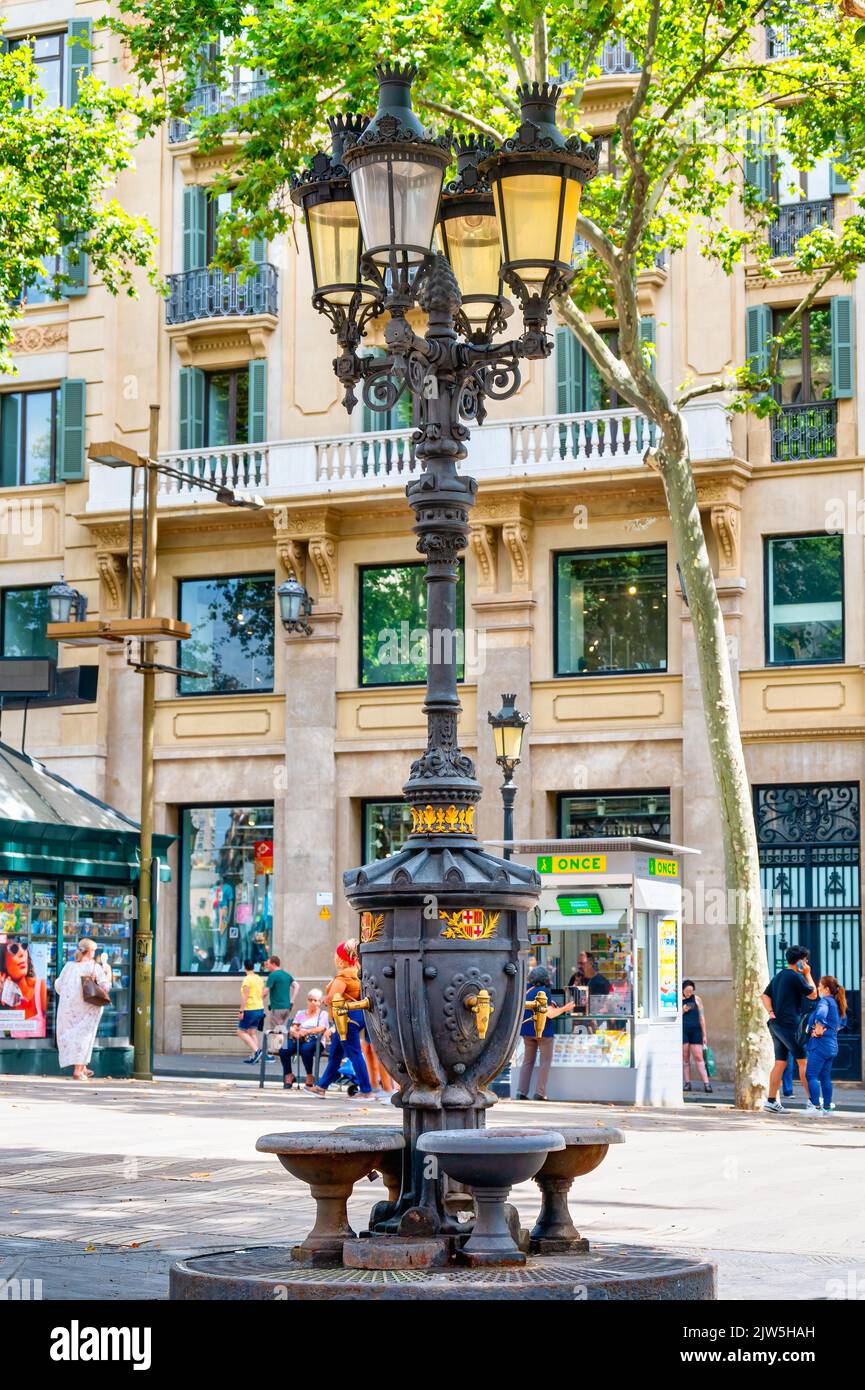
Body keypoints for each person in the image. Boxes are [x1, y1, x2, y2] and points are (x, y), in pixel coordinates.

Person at [311, 940, 372, 1099]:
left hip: (346, 1019)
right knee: (336, 1054)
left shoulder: (343, 977)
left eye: (336, 955)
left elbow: (333, 998)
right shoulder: (357, 972)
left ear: (341, 958)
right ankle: (321, 1087)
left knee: (354, 1053)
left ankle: (366, 1090)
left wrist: (324, 999)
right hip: (355, 1016)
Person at [761, 945, 818, 1113]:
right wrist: (807, 973)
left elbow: (764, 995)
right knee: (803, 1061)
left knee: (780, 1062)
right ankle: (813, 1102)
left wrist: (771, 1012)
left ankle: (771, 1101)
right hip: (790, 1025)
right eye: (805, 960)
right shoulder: (795, 976)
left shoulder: (779, 975)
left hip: (776, 1024)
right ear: (801, 961)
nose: (807, 963)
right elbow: (813, 994)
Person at [54, 939, 112, 1081]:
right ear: (89, 951)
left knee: (73, 1035)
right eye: (94, 950)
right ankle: (78, 1071)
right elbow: (105, 988)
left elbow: (58, 985)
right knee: (84, 1037)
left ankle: (83, 1068)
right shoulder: (93, 967)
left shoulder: (69, 966)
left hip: (68, 1009)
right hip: (88, 1007)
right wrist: (108, 972)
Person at [515, 965, 574, 1101]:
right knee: (545, 1061)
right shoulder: (544, 991)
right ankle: (540, 1092)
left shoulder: (527, 990)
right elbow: (550, 1014)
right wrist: (566, 1008)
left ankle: (521, 1092)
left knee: (527, 1061)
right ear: (545, 979)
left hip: (527, 1030)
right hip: (543, 1032)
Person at [804, 976, 847, 1115]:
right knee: (825, 1077)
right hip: (832, 1045)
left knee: (811, 1075)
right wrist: (828, 1030)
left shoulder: (825, 1001)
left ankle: (816, 1108)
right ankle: (827, 1108)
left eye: (820, 986)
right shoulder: (837, 1002)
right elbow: (842, 1022)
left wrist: (818, 1029)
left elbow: (821, 1014)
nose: (818, 988)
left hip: (820, 1045)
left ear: (827, 989)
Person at [280, 988, 329, 1091]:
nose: (312, 1002)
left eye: (315, 1000)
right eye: (310, 999)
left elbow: (321, 1028)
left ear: (319, 1002)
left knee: (305, 1049)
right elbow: (295, 1025)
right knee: (284, 1049)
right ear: (307, 1000)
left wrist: (306, 1032)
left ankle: (310, 1076)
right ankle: (289, 1075)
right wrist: (294, 1031)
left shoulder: (322, 1014)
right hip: (299, 1039)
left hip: (315, 1040)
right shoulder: (302, 1013)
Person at [262, 955, 297, 1059]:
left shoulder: (273, 975)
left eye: (268, 964)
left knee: (277, 1031)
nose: (267, 966)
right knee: (281, 1029)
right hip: (287, 1007)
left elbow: (265, 992)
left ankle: (283, 1053)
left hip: (277, 1007)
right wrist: (292, 1000)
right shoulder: (286, 975)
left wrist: (257, 999)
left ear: (273, 964)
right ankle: (283, 1052)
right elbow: (297, 985)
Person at [681, 979, 712, 1093]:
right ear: (682, 990)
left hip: (696, 1031)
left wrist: (704, 1034)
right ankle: (687, 1083)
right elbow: (674, 1016)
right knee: (685, 1058)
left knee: (699, 1057)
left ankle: (706, 1083)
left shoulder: (697, 999)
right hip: (683, 1031)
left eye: (691, 991)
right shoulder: (678, 1000)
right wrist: (683, 1010)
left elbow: (702, 1018)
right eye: (687, 991)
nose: (689, 993)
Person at [237, 960, 266, 1063]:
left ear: (245, 968)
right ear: (253, 967)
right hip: (259, 1008)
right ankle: (255, 1057)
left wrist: (241, 1011)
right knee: (252, 1032)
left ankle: (257, 1052)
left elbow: (245, 996)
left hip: (250, 1009)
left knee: (240, 1031)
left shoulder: (247, 980)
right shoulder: (259, 979)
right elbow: (263, 994)